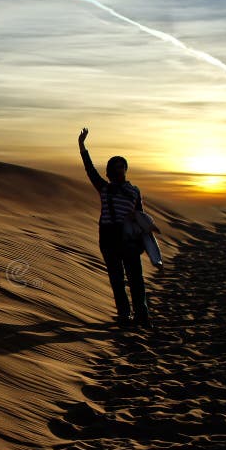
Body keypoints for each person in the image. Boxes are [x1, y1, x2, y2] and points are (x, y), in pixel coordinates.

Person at [78, 127, 152, 329]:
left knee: (135, 278)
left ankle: (142, 314)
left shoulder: (134, 191)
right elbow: (90, 170)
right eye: (116, 167)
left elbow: (141, 216)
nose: (119, 170)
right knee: (117, 279)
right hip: (109, 238)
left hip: (128, 238)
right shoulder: (104, 188)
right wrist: (82, 147)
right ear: (110, 172)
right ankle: (124, 314)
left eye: (122, 167)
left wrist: (146, 239)